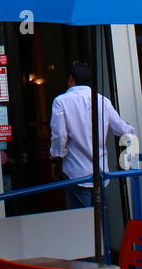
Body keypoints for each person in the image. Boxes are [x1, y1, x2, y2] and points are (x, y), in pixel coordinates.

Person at [50, 60, 135, 210]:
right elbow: (122, 130)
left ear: (71, 79)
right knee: (100, 219)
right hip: (101, 173)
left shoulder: (61, 102)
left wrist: (56, 157)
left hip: (75, 172)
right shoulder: (103, 101)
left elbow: (59, 136)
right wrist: (129, 128)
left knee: (82, 222)